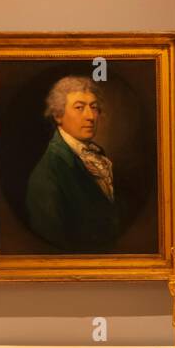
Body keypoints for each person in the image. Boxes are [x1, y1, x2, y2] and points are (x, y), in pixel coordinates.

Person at [24, 76, 121, 252]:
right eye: (79, 108)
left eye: (93, 107)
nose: (90, 116)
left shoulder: (97, 155)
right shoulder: (48, 174)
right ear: (58, 115)